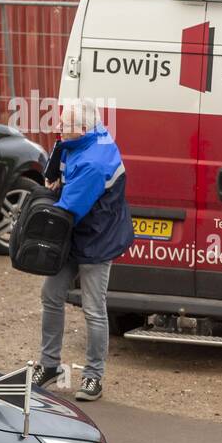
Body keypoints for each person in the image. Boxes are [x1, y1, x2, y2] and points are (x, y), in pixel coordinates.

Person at [33, 100, 134, 402]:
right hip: (76, 236)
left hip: (96, 240)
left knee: (93, 309)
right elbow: (60, 169)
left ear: (84, 129)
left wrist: (34, 230)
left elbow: (68, 209)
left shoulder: (93, 162)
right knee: (51, 295)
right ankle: (50, 365)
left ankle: (93, 376)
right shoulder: (81, 140)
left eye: (64, 125)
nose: (58, 129)